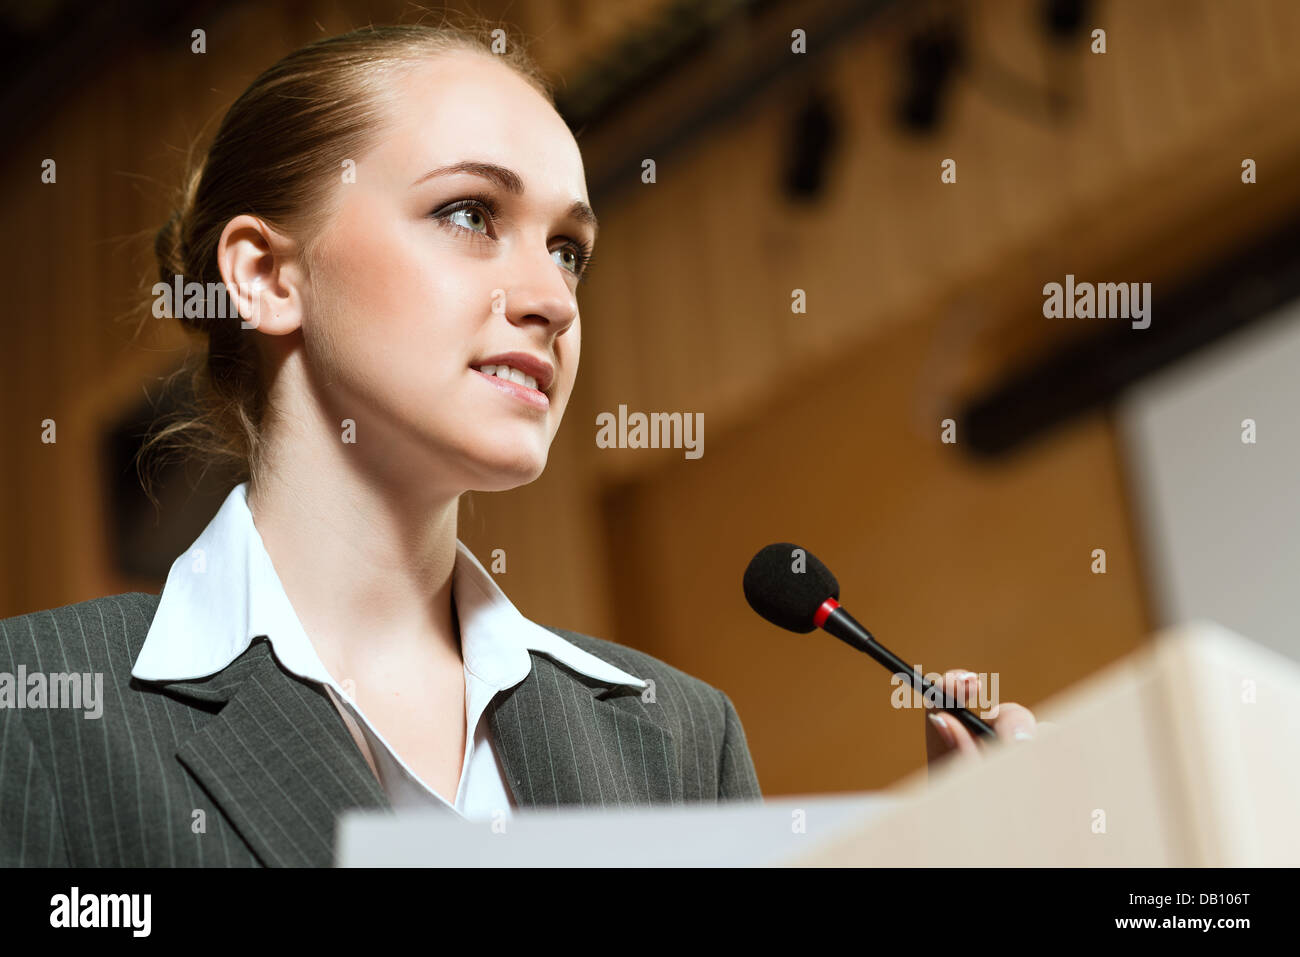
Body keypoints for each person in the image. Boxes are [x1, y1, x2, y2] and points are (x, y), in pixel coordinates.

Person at [0, 21, 1034, 868]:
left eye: (568, 250)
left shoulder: (676, 740)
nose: (547, 299)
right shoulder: (39, 709)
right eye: (466, 212)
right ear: (268, 275)